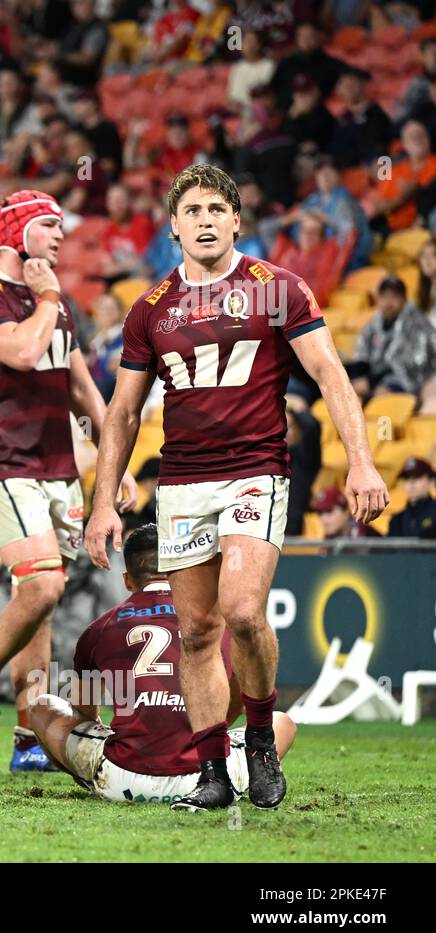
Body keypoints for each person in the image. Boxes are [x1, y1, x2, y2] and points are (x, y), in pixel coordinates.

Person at [85, 163, 388, 812]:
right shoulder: (151, 308)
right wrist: (102, 501)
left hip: (256, 472)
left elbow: (332, 376)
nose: (204, 220)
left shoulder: (277, 290)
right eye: (191, 210)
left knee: (244, 612)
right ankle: (213, 775)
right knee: (196, 630)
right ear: (173, 226)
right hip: (185, 483)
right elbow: (122, 412)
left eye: (216, 210)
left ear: (237, 222)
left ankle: (259, 738)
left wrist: (360, 462)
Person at [0, 189, 136, 768]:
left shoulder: (54, 303)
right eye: (49, 226)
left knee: (40, 605)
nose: (60, 237)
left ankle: (29, 738)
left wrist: (116, 460)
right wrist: (49, 294)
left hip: (59, 466)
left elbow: (82, 387)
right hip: (5, 463)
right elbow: (27, 353)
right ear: (17, 231)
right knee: (43, 585)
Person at [29, 525, 298, 804]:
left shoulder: (99, 629)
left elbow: (83, 712)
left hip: (122, 777)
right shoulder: (216, 623)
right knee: (282, 722)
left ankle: (95, 779)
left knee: (41, 706)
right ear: (184, 570)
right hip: (213, 773)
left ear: (128, 580)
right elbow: (239, 697)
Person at [352, 274, 436, 398]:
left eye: (394, 297)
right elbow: (362, 356)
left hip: (415, 382)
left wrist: (370, 382)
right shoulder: (375, 322)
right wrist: (360, 378)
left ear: (404, 299)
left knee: (382, 393)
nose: (388, 302)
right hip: (380, 379)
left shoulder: (416, 323)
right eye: (384, 297)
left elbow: (408, 366)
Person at [389, 457, 436, 539]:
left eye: (417, 478)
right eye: (406, 479)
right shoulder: (397, 520)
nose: (411, 483)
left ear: (431, 481)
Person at [312, 486, 378, 539]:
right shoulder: (331, 535)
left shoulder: (362, 531)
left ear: (345, 512)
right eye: (320, 513)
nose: (324, 519)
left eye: (329, 511)